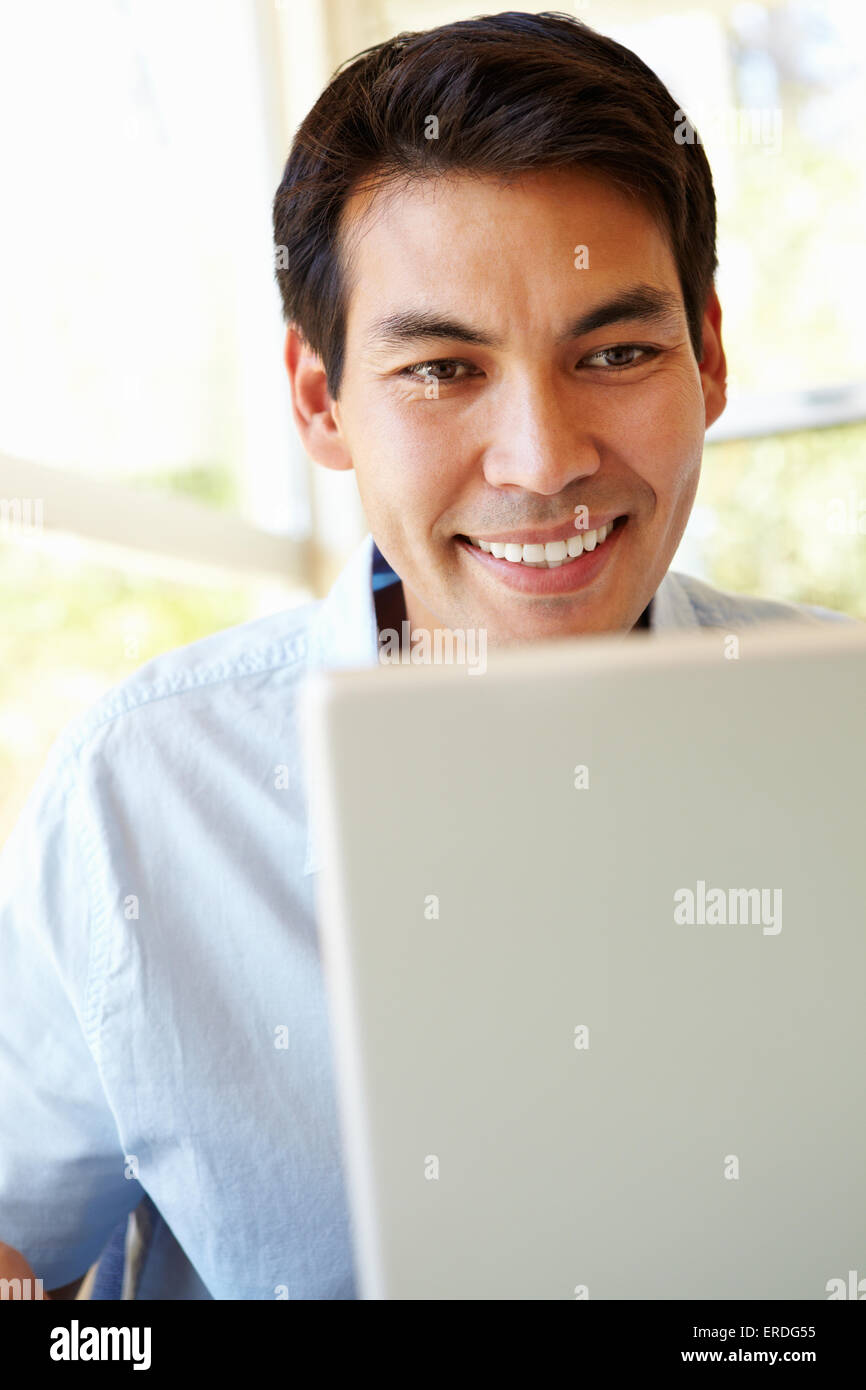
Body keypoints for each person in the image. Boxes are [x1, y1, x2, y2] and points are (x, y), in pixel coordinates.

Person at [0, 11, 851, 1301]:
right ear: (319, 399)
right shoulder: (140, 800)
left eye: (616, 353)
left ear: (710, 356)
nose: (544, 459)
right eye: (445, 369)